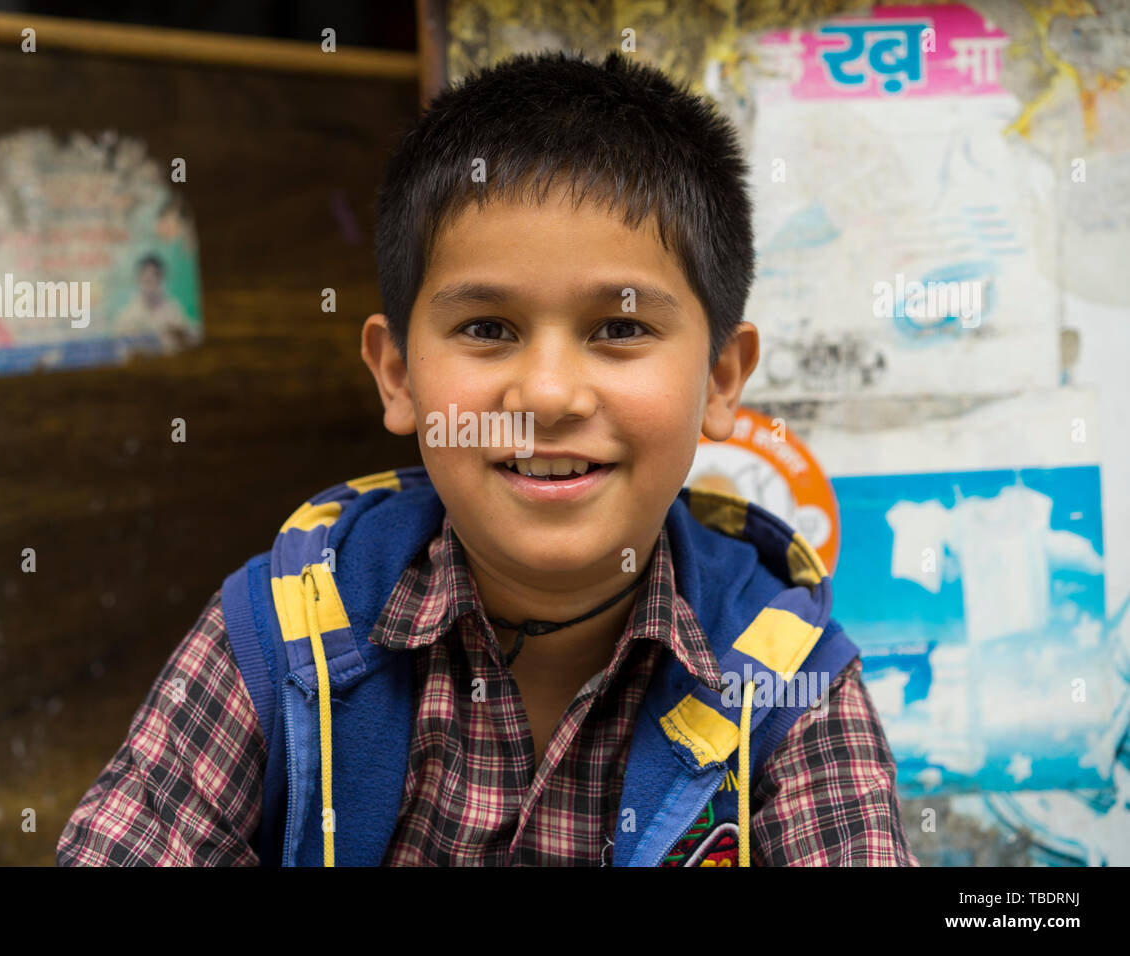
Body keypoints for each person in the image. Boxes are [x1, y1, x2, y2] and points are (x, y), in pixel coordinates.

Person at [57, 50, 917, 867]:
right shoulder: (284, 634)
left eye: (619, 329)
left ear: (721, 379)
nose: (547, 396)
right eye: (487, 329)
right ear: (397, 375)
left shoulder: (780, 678)